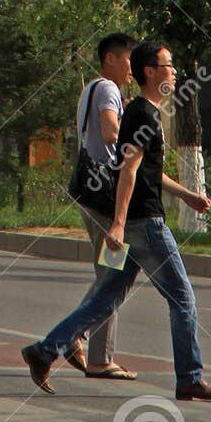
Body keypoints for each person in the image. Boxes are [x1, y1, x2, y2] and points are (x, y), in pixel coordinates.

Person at [22, 39, 211, 403]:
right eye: (168, 66)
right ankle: (190, 378)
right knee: (183, 298)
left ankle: (45, 350)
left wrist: (186, 194)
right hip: (145, 225)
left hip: (133, 225)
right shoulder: (143, 114)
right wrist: (117, 223)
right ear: (150, 71)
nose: (174, 72)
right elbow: (128, 170)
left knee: (106, 298)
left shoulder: (138, 111)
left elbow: (145, 170)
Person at [68, 33, 138, 381]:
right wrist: (138, 127)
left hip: (91, 190)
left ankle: (74, 334)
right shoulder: (108, 88)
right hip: (104, 194)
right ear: (110, 59)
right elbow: (111, 133)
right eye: (128, 60)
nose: (132, 68)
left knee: (109, 272)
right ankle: (96, 356)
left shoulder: (91, 89)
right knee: (112, 275)